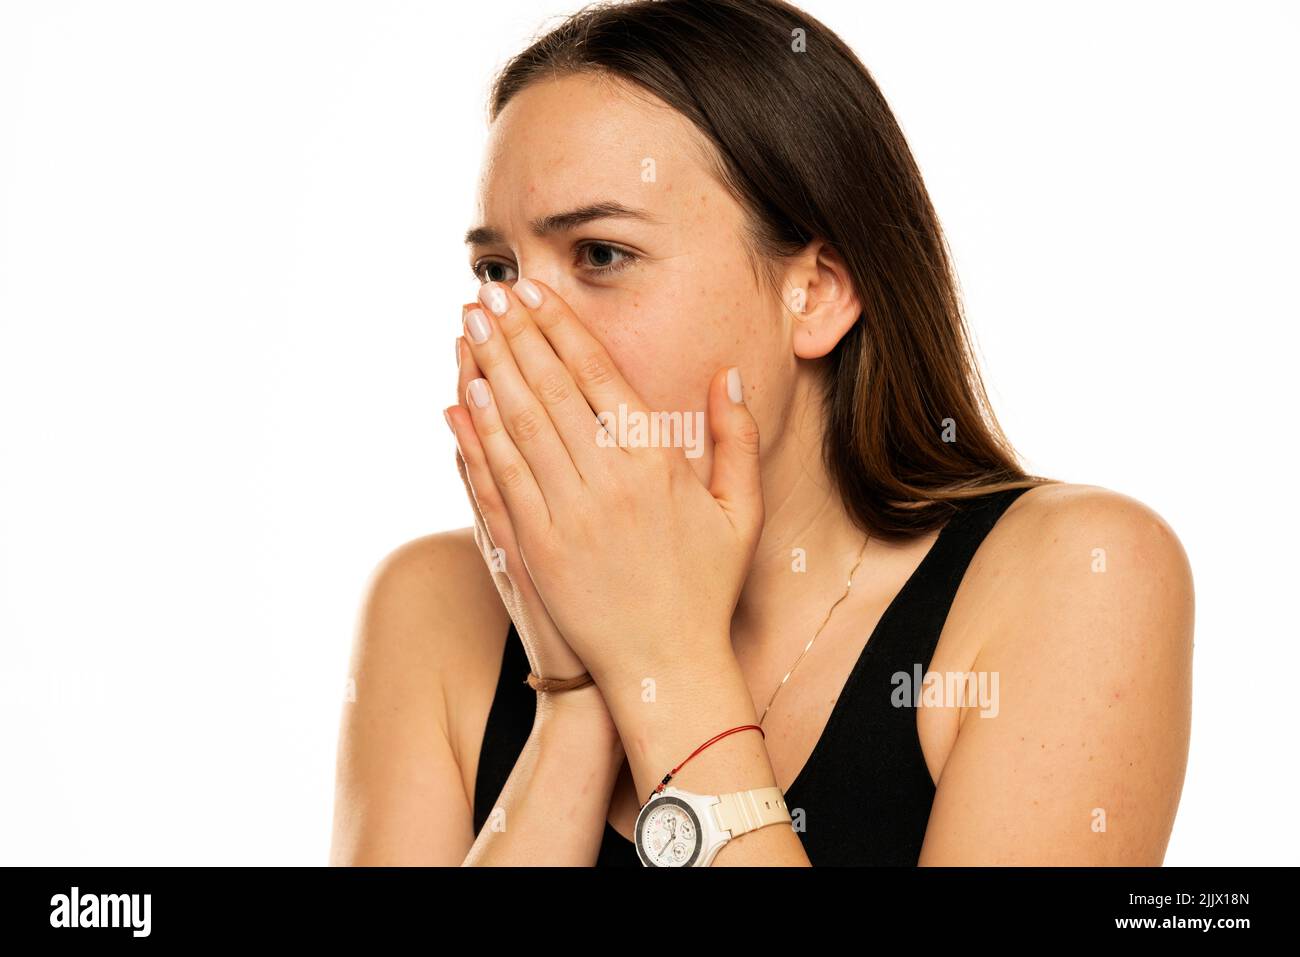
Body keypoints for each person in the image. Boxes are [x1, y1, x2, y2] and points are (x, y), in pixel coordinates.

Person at [329, 0, 1193, 866]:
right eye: (497, 269)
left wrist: (660, 656)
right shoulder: (428, 606)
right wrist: (576, 695)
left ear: (812, 291)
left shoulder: (1082, 571)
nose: (519, 326)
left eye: (599, 254)